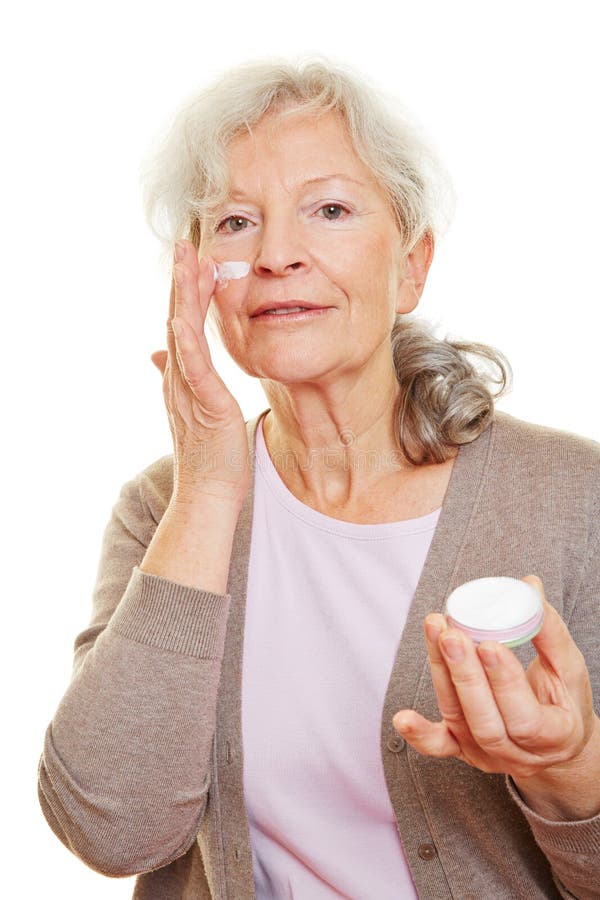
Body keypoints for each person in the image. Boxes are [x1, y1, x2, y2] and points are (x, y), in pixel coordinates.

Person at [38, 59, 600, 900]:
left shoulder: (571, 498)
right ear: (200, 280)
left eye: (329, 210)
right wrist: (208, 491)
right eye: (234, 222)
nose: (275, 256)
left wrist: (570, 771)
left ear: (411, 266)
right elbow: (111, 828)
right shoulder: (162, 509)